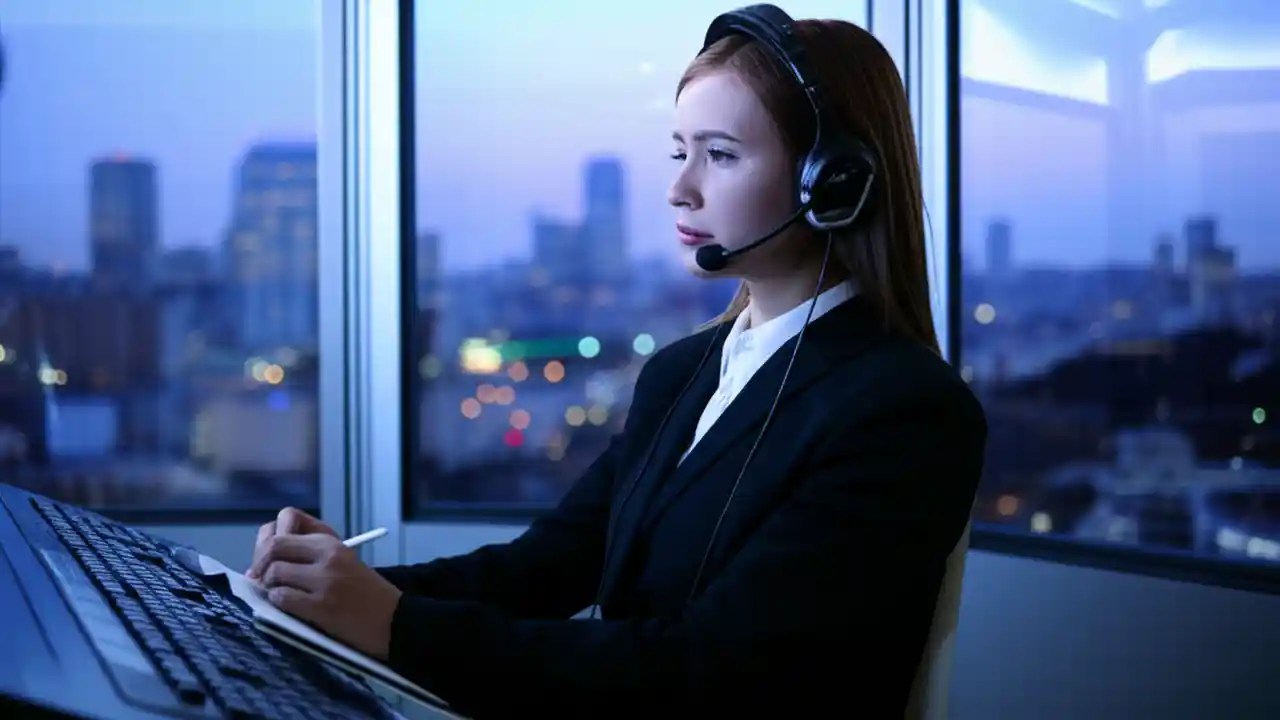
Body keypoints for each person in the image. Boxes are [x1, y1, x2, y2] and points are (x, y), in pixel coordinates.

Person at [247, 5, 987, 717]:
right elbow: (543, 567)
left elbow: (717, 676)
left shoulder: (904, 411)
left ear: (832, 183)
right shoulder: (685, 373)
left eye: (720, 155)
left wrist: (395, 625)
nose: (679, 189)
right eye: (680, 151)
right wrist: (333, 588)